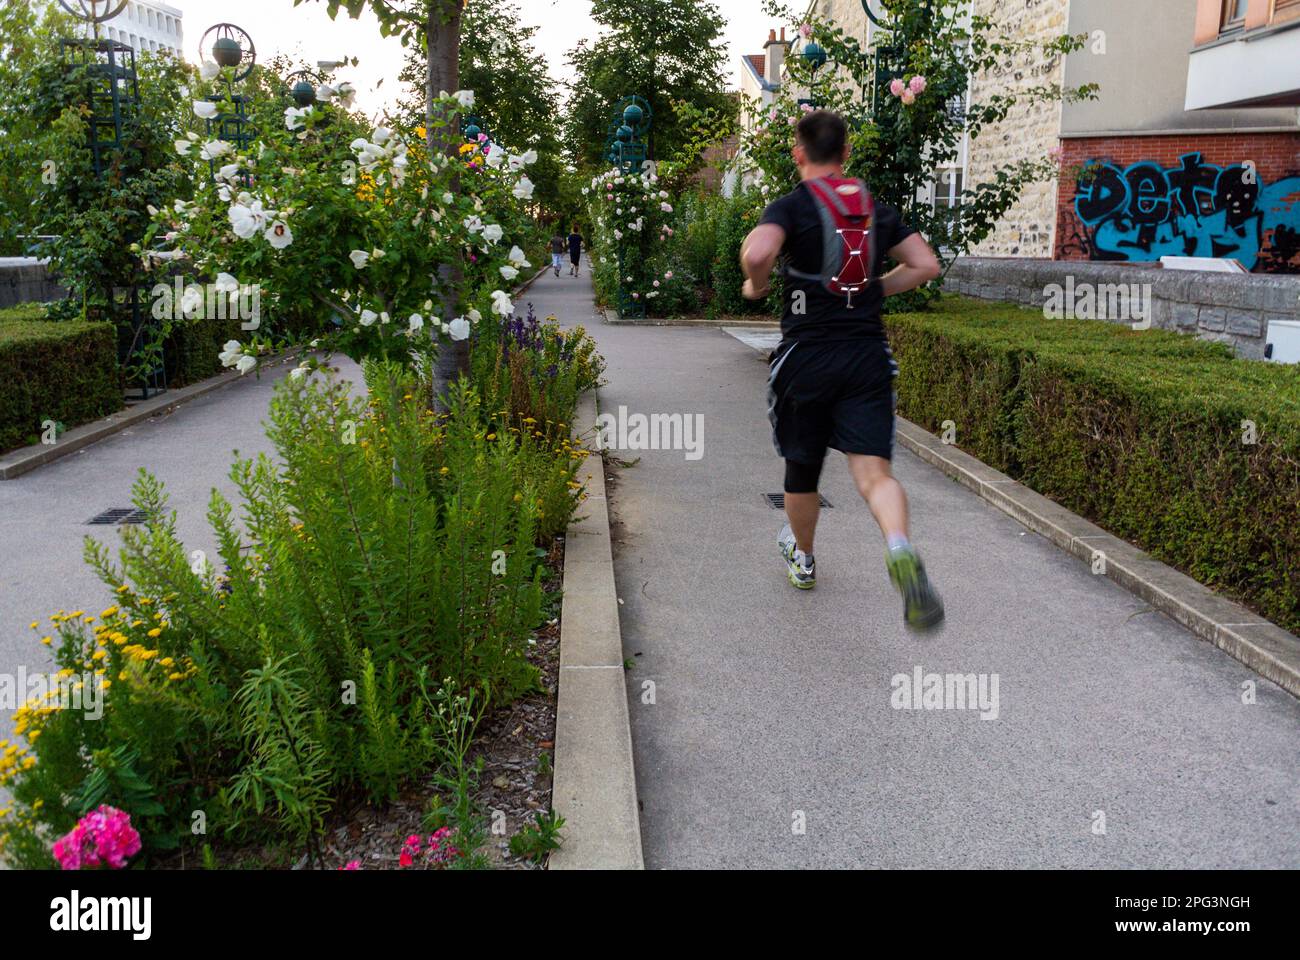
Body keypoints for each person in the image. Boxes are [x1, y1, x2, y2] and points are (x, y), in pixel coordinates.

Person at [739, 109, 945, 631]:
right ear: (846, 154)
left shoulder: (791, 205)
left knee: (802, 467)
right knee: (875, 474)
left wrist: (756, 285)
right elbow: (925, 264)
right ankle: (898, 544)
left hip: (806, 358)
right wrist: (876, 287)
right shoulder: (873, 207)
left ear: (798, 153)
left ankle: (803, 557)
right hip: (866, 357)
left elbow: (759, 250)